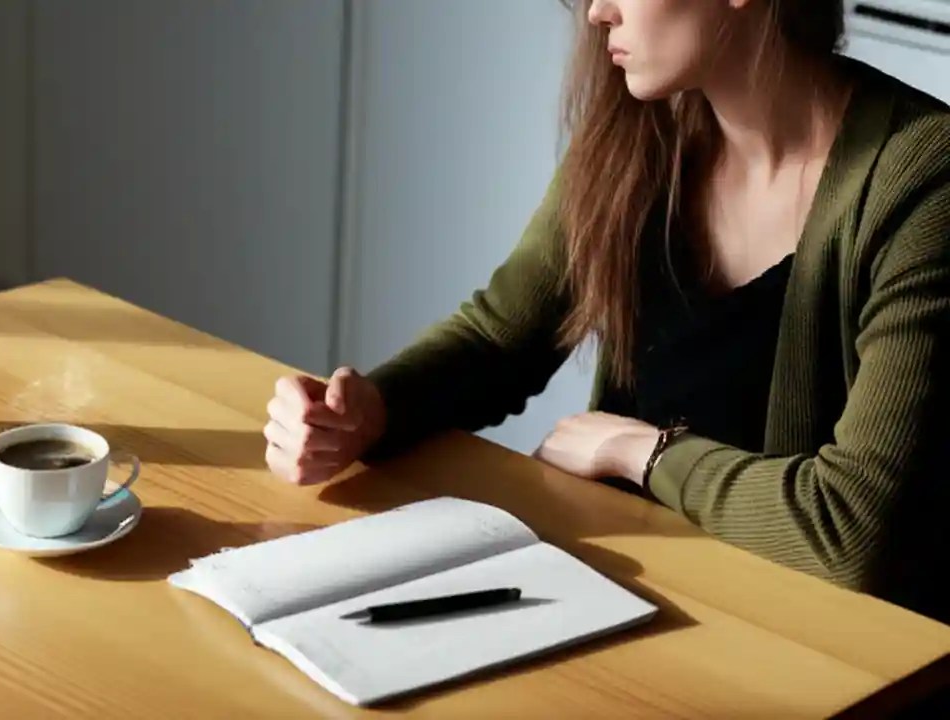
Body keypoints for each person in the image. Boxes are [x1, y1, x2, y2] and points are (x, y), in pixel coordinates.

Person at [263, 0, 950, 622]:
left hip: (823, 649)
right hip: (632, 599)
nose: (595, 12)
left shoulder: (924, 178)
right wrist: (367, 412)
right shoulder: (642, 131)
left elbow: (852, 528)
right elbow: (499, 339)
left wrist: (641, 452)